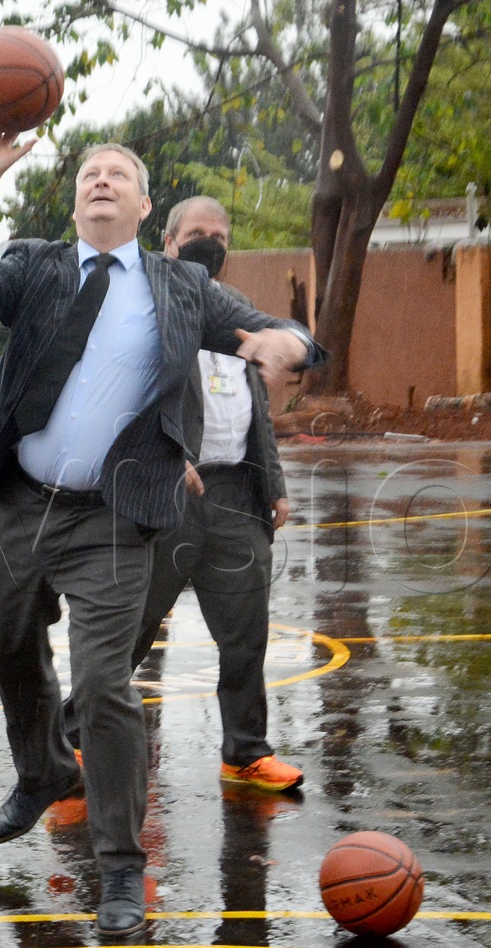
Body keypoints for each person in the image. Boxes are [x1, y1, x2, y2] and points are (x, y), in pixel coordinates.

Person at [0, 119, 323, 937]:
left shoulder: (179, 286)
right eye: (90, 173)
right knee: (7, 645)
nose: (101, 180)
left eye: (118, 173)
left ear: (145, 204)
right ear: (77, 200)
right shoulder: (39, 265)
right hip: (23, 500)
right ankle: (44, 770)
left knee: (107, 682)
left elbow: (273, 331)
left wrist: (288, 343)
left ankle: (119, 865)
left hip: (113, 516)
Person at [142, 195, 304, 793]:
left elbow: (256, 410)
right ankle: (77, 742)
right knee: (131, 626)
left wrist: (276, 485)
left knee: (245, 635)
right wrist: (163, 455)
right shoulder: (152, 308)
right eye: (196, 232)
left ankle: (245, 752)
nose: (209, 240)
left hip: (237, 493)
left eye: (219, 232)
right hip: (168, 492)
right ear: (168, 241)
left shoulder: (242, 321)